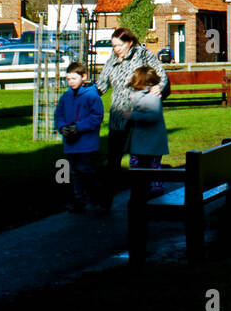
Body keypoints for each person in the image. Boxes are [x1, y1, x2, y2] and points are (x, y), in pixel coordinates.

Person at [96, 27, 170, 190]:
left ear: (129, 43)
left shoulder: (143, 55)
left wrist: (159, 87)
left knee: (142, 159)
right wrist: (85, 95)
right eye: (113, 46)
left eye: (119, 46)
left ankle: (142, 193)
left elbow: (161, 77)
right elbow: (101, 85)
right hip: (119, 116)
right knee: (113, 158)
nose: (116, 49)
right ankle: (105, 199)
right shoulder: (111, 60)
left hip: (141, 117)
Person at [55, 62, 106, 213]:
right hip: (71, 143)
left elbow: (97, 117)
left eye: (74, 78)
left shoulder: (91, 96)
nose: (70, 82)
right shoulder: (66, 97)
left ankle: (96, 200)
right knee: (74, 172)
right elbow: (59, 115)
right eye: (68, 79)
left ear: (83, 77)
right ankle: (80, 200)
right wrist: (62, 126)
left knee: (87, 171)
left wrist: (79, 127)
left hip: (86, 143)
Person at [126, 66, 170, 195]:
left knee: (151, 164)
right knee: (145, 163)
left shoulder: (152, 97)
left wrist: (132, 116)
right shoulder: (144, 95)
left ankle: (155, 187)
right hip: (145, 139)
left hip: (152, 139)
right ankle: (143, 184)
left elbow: (153, 116)